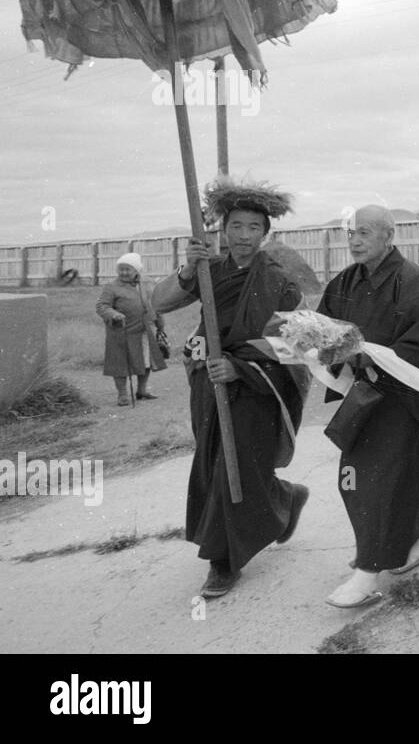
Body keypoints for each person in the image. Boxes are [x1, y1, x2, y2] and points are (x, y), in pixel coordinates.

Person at [152, 181, 310, 600]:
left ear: (265, 234)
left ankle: (223, 560)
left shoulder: (278, 280)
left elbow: (292, 348)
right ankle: (285, 497)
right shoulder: (210, 270)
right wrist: (188, 269)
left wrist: (240, 367)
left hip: (253, 385)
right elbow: (160, 301)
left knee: (236, 468)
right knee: (215, 461)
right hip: (207, 379)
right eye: (236, 226)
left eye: (253, 227)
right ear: (223, 228)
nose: (243, 235)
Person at [317, 205, 419, 608]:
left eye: (365, 233)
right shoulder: (347, 279)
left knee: (377, 481)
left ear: (388, 235)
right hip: (362, 395)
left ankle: (368, 570)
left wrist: (373, 357)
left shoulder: (411, 279)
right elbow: (324, 324)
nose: (355, 241)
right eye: (351, 233)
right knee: (377, 476)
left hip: (399, 398)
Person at [97, 252, 166, 405]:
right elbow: (102, 306)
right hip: (121, 332)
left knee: (146, 361)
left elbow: (156, 304)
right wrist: (113, 314)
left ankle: (142, 390)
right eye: (121, 269)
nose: (123, 272)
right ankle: (122, 395)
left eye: (127, 269)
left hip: (144, 331)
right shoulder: (111, 287)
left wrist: (160, 324)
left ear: (136, 270)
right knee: (121, 364)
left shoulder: (146, 284)